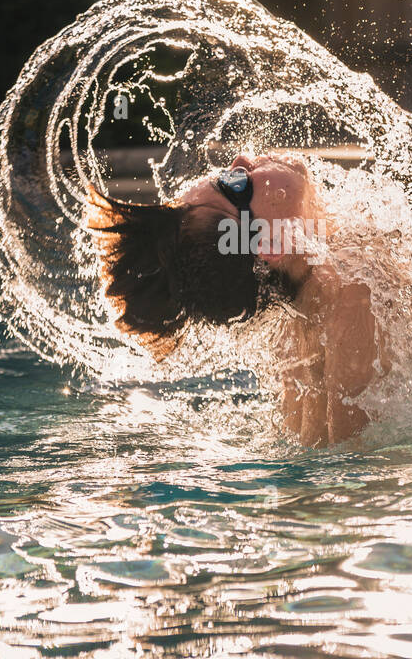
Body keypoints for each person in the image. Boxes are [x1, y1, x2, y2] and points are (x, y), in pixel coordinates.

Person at [85, 154, 386, 446]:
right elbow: (356, 472)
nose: (240, 161)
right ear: (271, 245)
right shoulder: (356, 293)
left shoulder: (292, 328)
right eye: (236, 183)